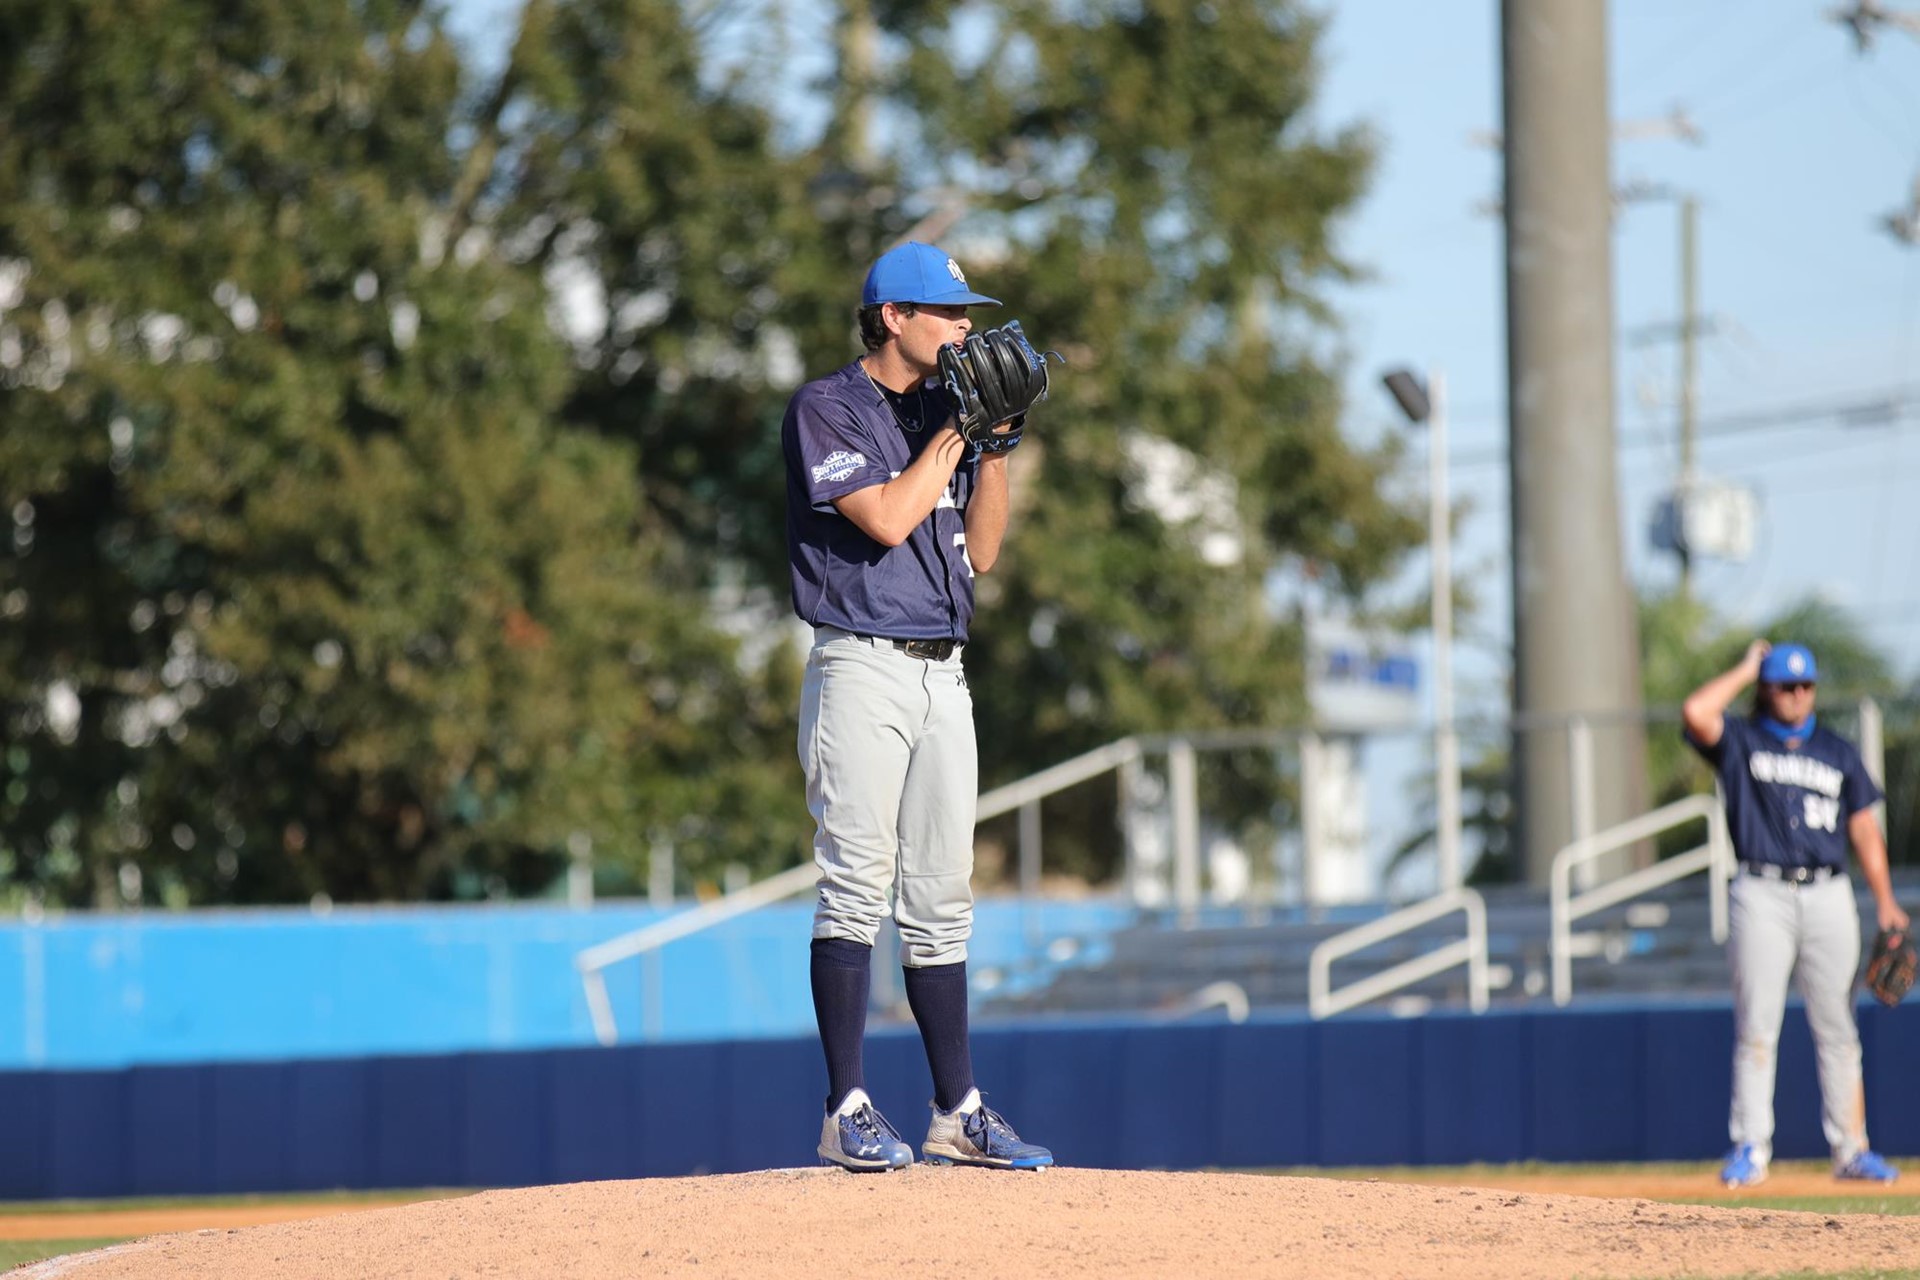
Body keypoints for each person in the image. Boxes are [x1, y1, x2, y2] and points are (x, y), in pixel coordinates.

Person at [780, 240, 1053, 1173]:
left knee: (942, 896)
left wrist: (999, 445)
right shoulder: (828, 407)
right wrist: (955, 435)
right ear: (892, 317)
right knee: (856, 883)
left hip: (945, 670)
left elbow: (980, 552)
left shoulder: (952, 412)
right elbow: (891, 518)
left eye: (968, 312)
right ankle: (845, 1105)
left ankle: (956, 1110)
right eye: (946, 312)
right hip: (860, 662)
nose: (965, 327)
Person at [1681, 639, 1908, 1188]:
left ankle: (1852, 1150)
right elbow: (1696, 712)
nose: (1797, 695)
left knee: (1838, 1028)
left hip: (1829, 893)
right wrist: (1743, 667)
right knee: (1757, 1024)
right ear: (1767, 688)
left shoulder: (1837, 751)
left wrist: (1885, 901)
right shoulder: (1742, 739)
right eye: (1785, 684)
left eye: (1805, 685)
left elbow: (1863, 829)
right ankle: (1751, 1147)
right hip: (1761, 891)